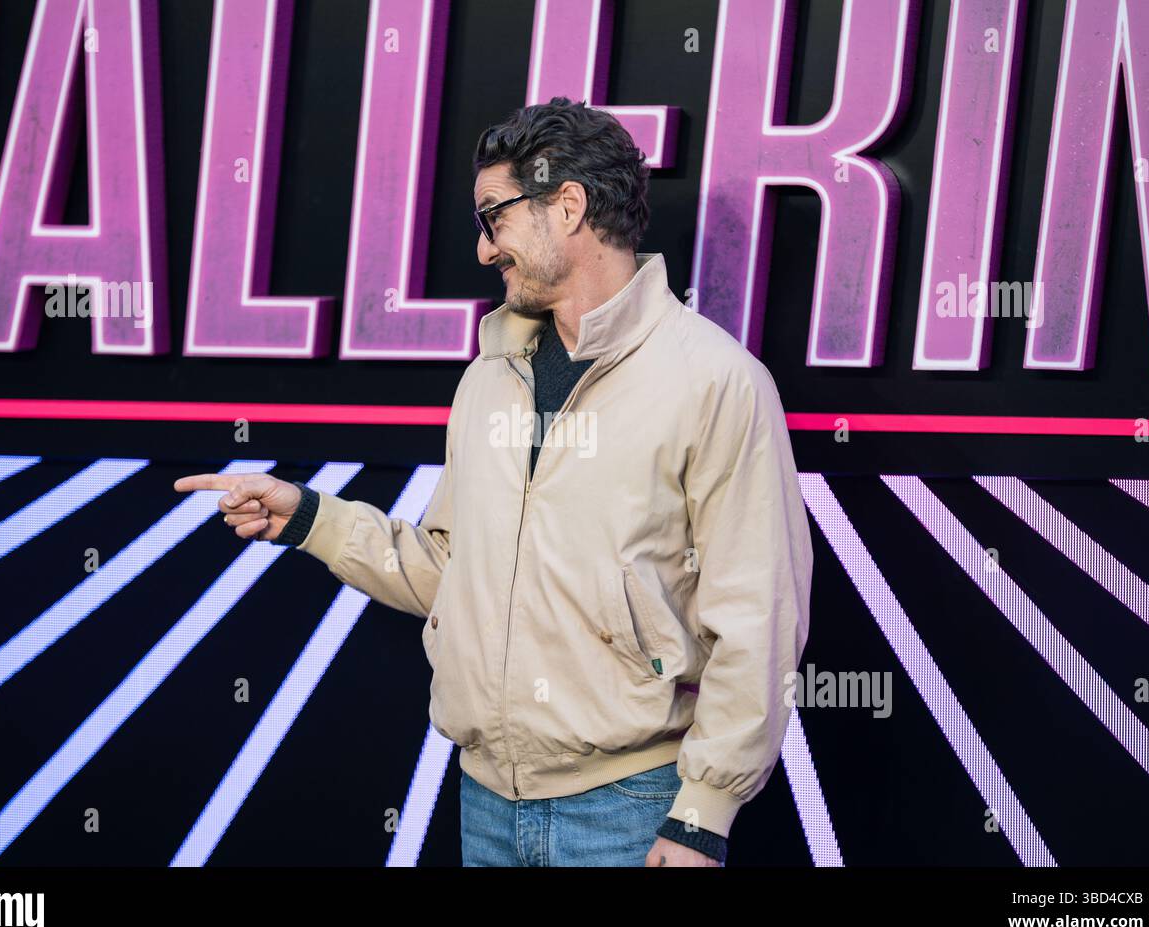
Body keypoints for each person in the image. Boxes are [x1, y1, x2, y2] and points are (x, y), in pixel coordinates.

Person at [175, 96, 813, 867]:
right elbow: (452, 573)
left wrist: (702, 814)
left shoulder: (717, 382)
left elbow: (759, 614)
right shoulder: (489, 377)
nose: (484, 251)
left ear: (568, 205)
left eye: (494, 218)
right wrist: (309, 519)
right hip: (483, 803)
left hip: (634, 814)